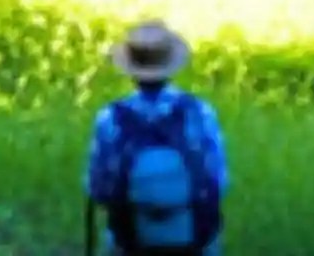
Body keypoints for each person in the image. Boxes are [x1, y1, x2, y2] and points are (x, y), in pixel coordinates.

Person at [84, 20, 227, 255]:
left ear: (131, 70)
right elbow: (217, 180)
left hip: (130, 240)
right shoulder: (199, 112)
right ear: (171, 66)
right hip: (194, 238)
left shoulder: (110, 118)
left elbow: (98, 188)